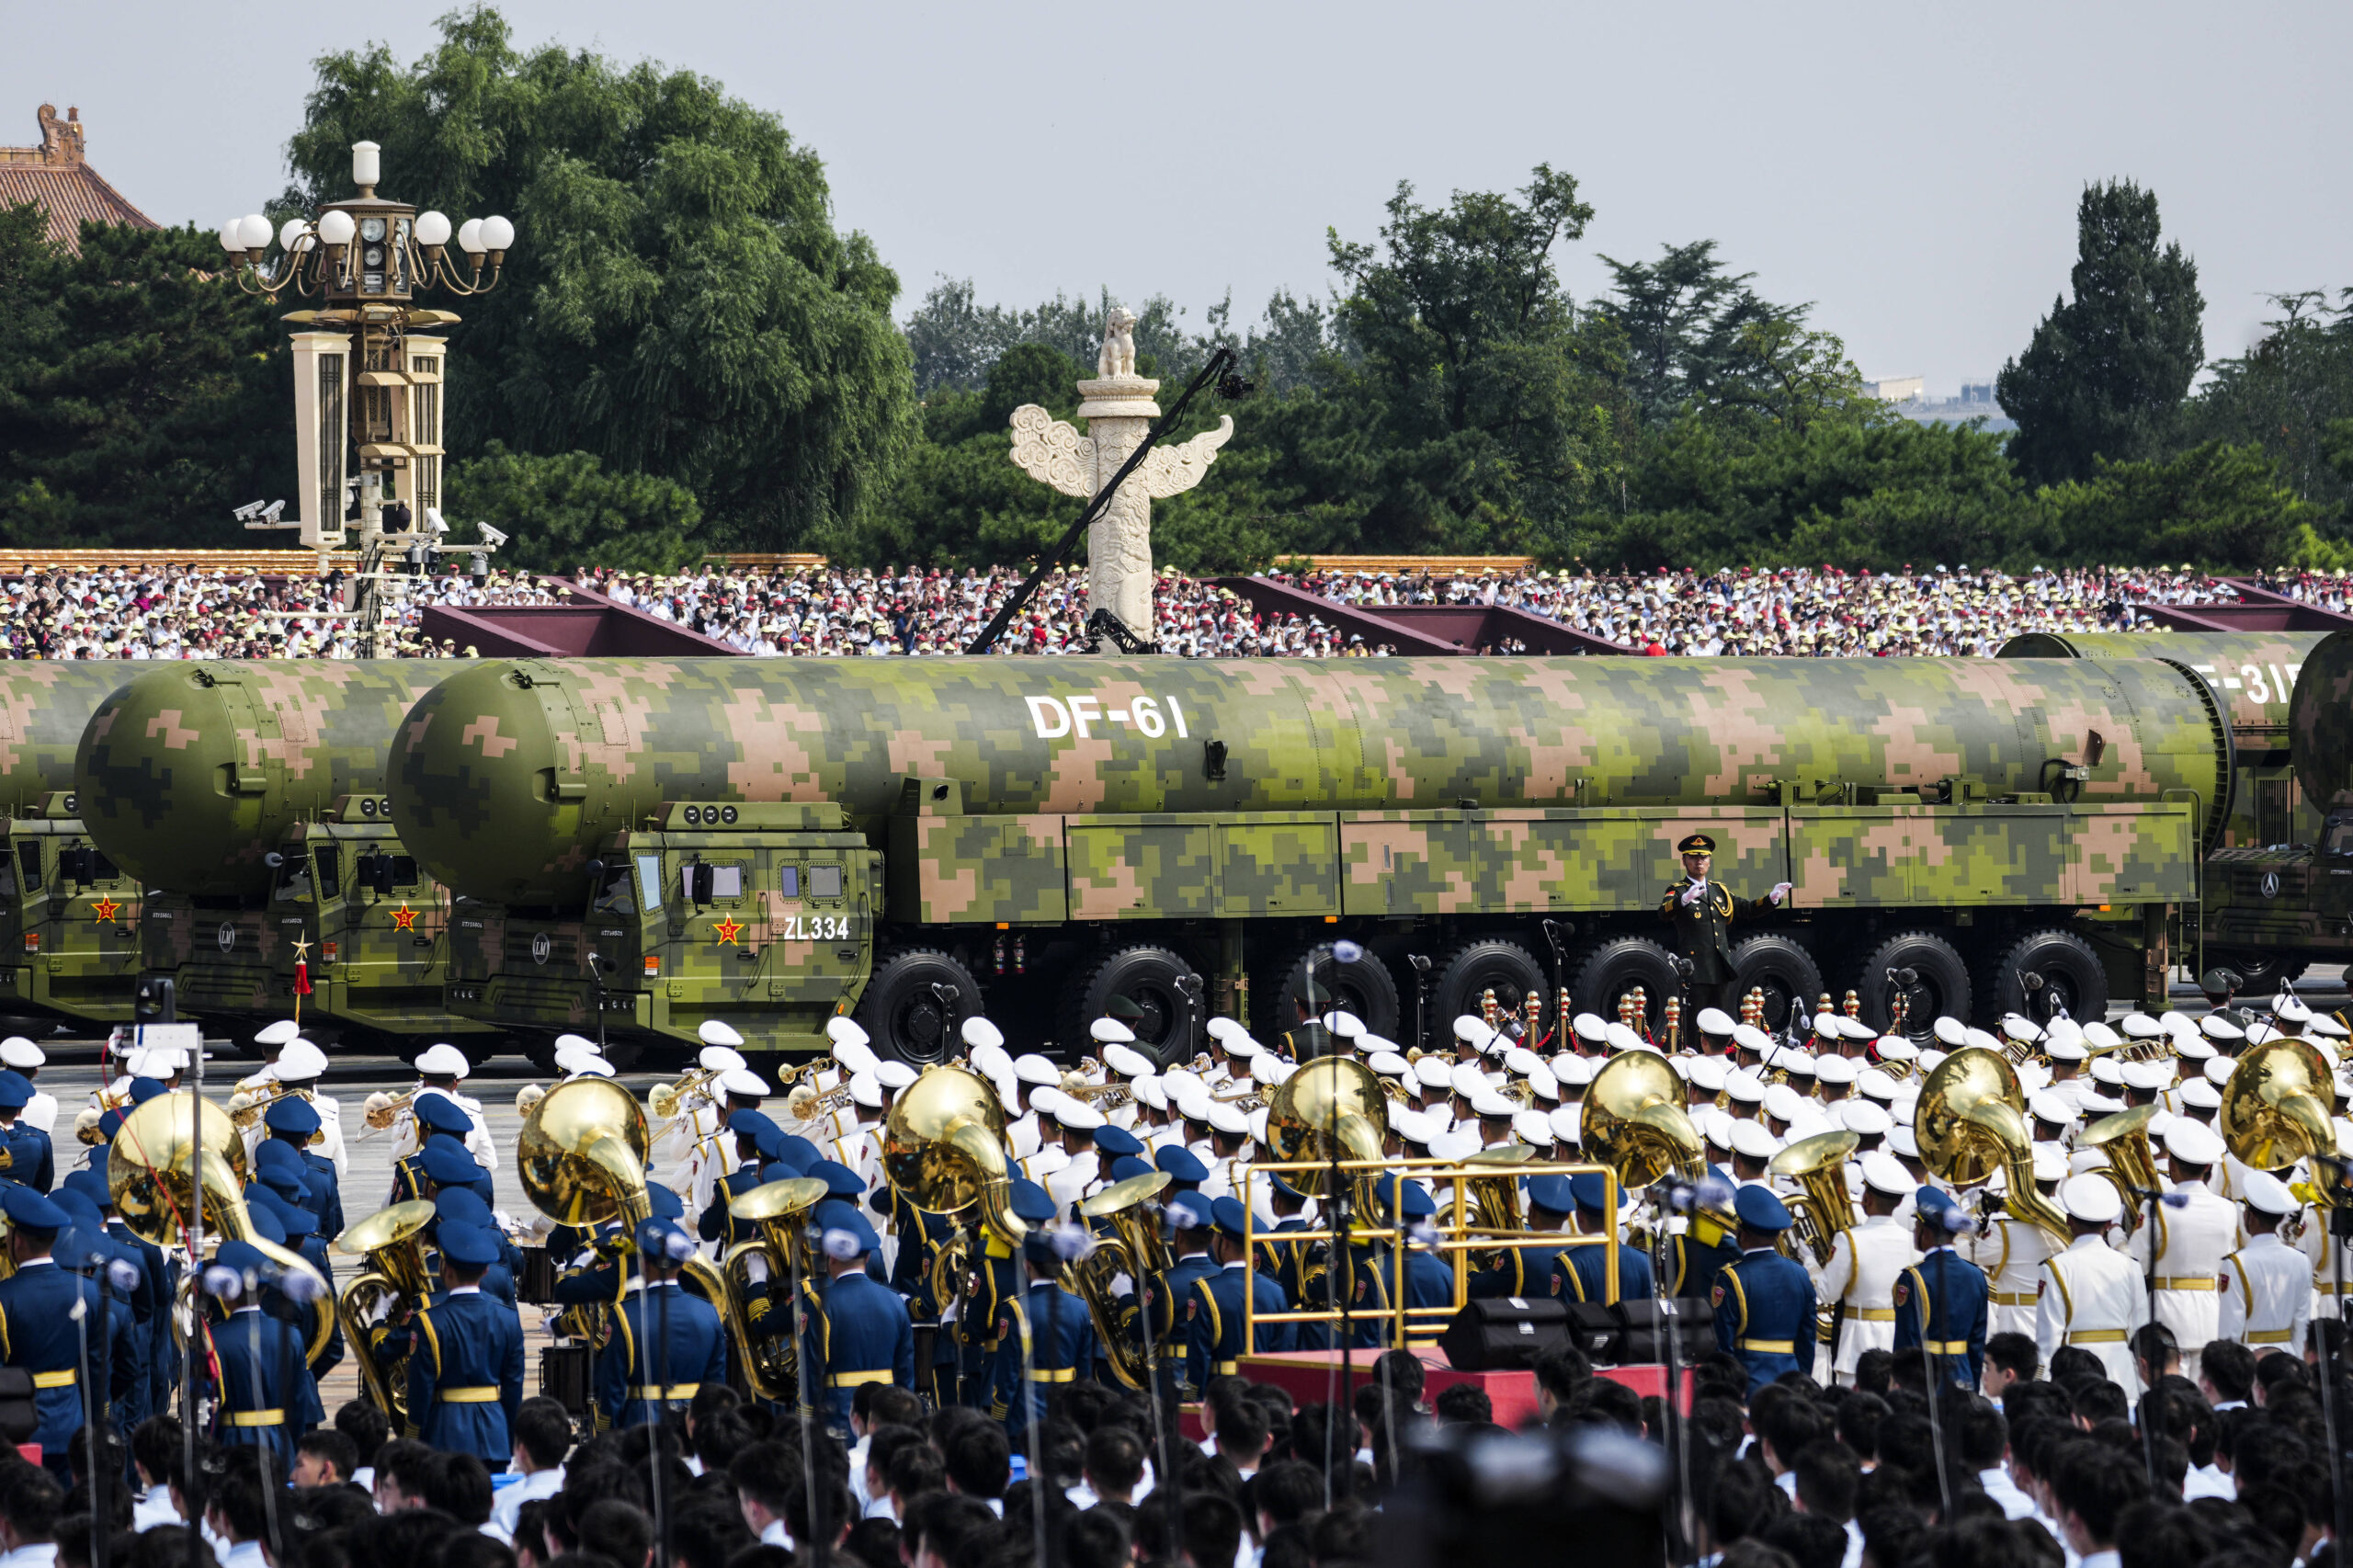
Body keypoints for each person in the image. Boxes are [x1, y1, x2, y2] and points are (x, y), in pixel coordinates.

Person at [0, 1185, 115, 1477]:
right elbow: (97, 1366)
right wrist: (94, 1421)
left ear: (18, 1241)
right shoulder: (88, 1292)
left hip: (18, 1425)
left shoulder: (5, 1296)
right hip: (72, 1419)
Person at [402, 1220, 525, 1466]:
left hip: (444, 1434)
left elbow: (420, 1390)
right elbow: (513, 1389)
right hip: (494, 1435)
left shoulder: (428, 1321)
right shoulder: (508, 1318)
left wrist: (413, 1438)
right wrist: (508, 1437)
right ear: (486, 1271)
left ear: (445, 1269)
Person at [597, 1218, 726, 1431]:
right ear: (683, 1265)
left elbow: (613, 1390)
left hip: (642, 1424)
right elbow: (716, 1384)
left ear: (644, 1264)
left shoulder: (623, 1314)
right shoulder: (709, 1311)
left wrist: (606, 1434)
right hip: (695, 1424)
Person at [207, 1238, 322, 1467]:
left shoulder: (214, 1339)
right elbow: (299, 1402)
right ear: (265, 1288)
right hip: (280, 1443)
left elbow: (207, 1409)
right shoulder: (291, 1335)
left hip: (232, 1444)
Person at [805, 1204, 913, 1437]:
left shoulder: (819, 1302)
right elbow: (905, 1373)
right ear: (869, 1256)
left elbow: (811, 1374)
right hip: (888, 1411)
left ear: (831, 1257)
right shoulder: (895, 1302)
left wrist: (806, 1419)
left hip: (839, 1412)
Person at [1657, 834, 1790, 1019]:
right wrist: (1684, 900)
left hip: (1720, 969)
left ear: (1709, 861)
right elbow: (1663, 913)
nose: (1699, 862)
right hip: (1695, 970)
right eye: (1693, 857)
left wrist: (1772, 898)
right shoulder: (1678, 890)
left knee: (1721, 1023)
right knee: (1697, 1024)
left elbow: (1748, 909)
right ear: (1684, 860)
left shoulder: (1719, 890)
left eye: (1703, 857)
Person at [2035, 1175, 2148, 1392]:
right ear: (2108, 1224)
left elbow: (2048, 1339)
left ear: (2068, 1220)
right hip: (2122, 1370)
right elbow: (2140, 1330)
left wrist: (2043, 1384)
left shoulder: (2055, 1267)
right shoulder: (2130, 1266)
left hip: (2073, 1371)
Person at [1818, 1153, 1915, 1386]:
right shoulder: (1913, 1241)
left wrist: (1811, 1265)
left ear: (1867, 1199)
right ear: (1899, 1203)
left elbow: (1826, 1293)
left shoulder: (1848, 1239)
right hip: (1897, 1341)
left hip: (1857, 1343)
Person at [989, 1229, 1095, 1437]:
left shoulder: (1016, 1309)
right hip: (1068, 1412)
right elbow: (1084, 1373)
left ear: (1027, 1265)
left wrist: (999, 1419)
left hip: (1026, 1413)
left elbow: (1007, 1376)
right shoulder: (1081, 1307)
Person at [1712, 1186, 1816, 1396]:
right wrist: (1802, 1380)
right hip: (1792, 1379)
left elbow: (1723, 1342)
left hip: (1749, 1380)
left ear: (1742, 1233)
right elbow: (1807, 1339)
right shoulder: (1800, 1274)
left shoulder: (1731, 1277)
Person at [1184, 1197, 1294, 1387]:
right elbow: (1282, 1352)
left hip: (1221, 1391)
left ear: (1224, 1243)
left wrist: (1192, 1398)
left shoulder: (1205, 1291)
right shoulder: (1276, 1291)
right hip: (1263, 1392)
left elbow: (1198, 1359)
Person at [1892, 1186, 1989, 1391]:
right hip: (1964, 1377)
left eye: (1917, 1225)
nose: (1914, 1231)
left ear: (1925, 1231)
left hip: (1925, 1379)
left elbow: (1905, 1344)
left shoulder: (1913, 1278)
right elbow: (1976, 1342)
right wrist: (1973, 1386)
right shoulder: (1976, 1275)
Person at [2219, 1170, 2311, 1355]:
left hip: (2249, 1357)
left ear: (2249, 1217)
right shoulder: (2301, 1261)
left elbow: (2230, 1329)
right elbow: (2302, 1324)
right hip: (2288, 1355)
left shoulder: (2236, 1263)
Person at [1555, 1173, 1655, 1307]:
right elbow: (1649, 1313)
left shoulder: (1568, 1263)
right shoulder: (1642, 1259)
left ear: (1579, 1216)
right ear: (1614, 1214)